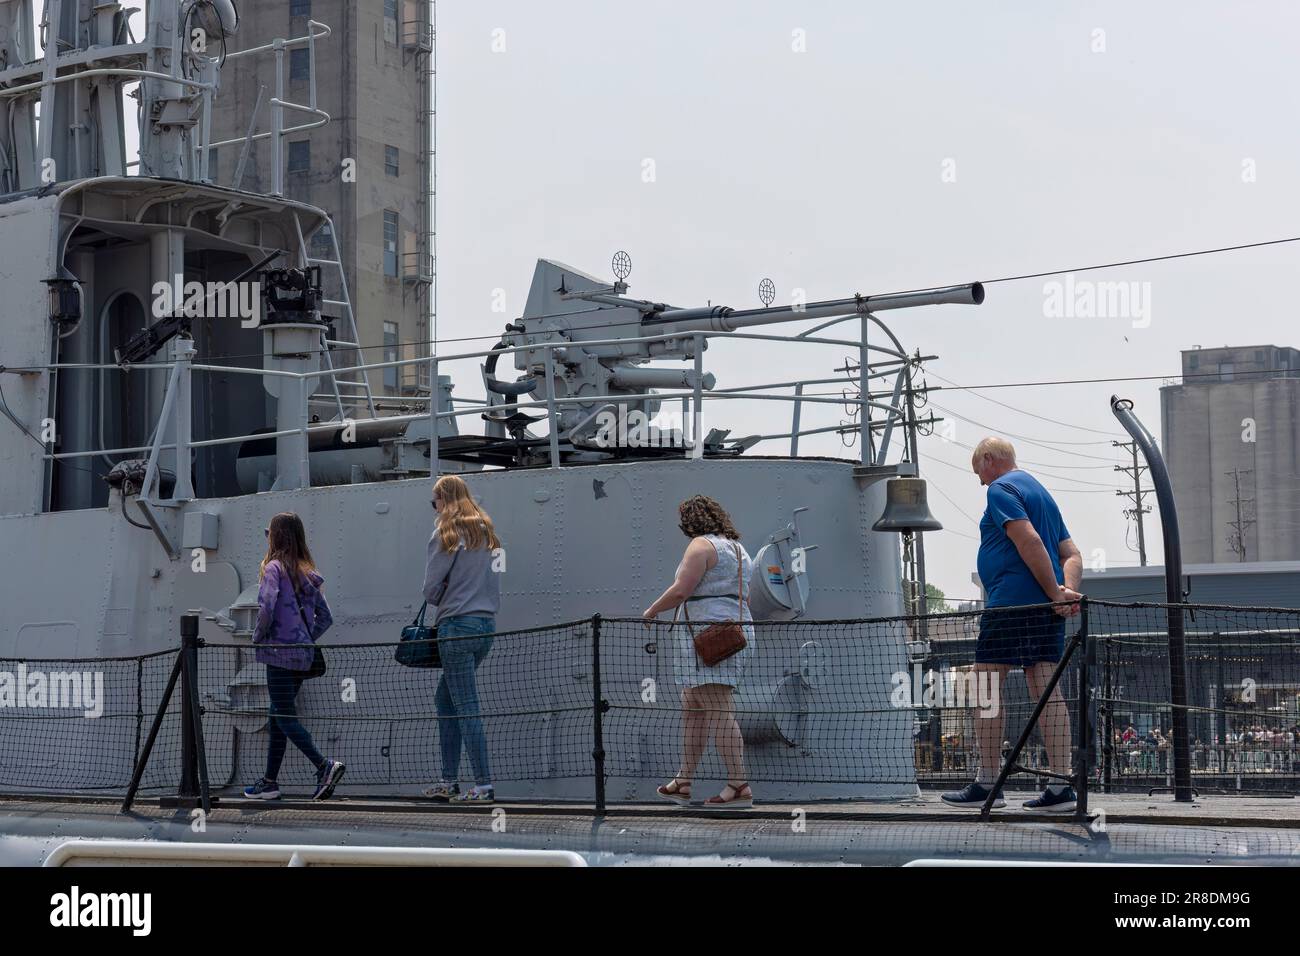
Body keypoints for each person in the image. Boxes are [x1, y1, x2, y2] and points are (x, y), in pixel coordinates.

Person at [942, 437, 1083, 813]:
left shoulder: (1001, 489)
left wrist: (1055, 592)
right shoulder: (1042, 494)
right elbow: (1071, 553)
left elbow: (1029, 541)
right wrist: (1064, 592)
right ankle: (1060, 786)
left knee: (984, 684)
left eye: (978, 471)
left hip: (1010, 605)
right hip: (1045, 609)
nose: (980, 481)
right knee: (1047, 688)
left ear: (988, 460)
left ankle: (988, 783)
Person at [643, 495, 756, 808]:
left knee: (719, 709)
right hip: (733, 631)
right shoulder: (739, 550)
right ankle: (684, 780)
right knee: (693, 704)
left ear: (689, 522)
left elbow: (682, 590)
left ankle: (738, 785)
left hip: (708, 638)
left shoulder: (700, 546)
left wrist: (652, 610)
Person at [244, 512, 345, 801]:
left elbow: (266, 606)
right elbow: (325, 617)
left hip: (278, 655)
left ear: (275, 537)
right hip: (301, 657)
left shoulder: (273, 568)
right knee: (278, 715)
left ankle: (324, 766)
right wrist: (304, 638)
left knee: (285, 716)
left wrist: (258, 637)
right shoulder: (308, 573)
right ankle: (270, 782)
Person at [421, 475, 502, 803]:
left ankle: (482, 785)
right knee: (446, 700)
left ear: (444, 499)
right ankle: (449, 781)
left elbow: (430, 590)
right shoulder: (487, 533)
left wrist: (445, 592)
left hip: (456, 626)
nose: (435, 508)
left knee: (466, 706)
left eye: (435, 501)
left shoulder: (446, 533)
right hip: (485, 627)